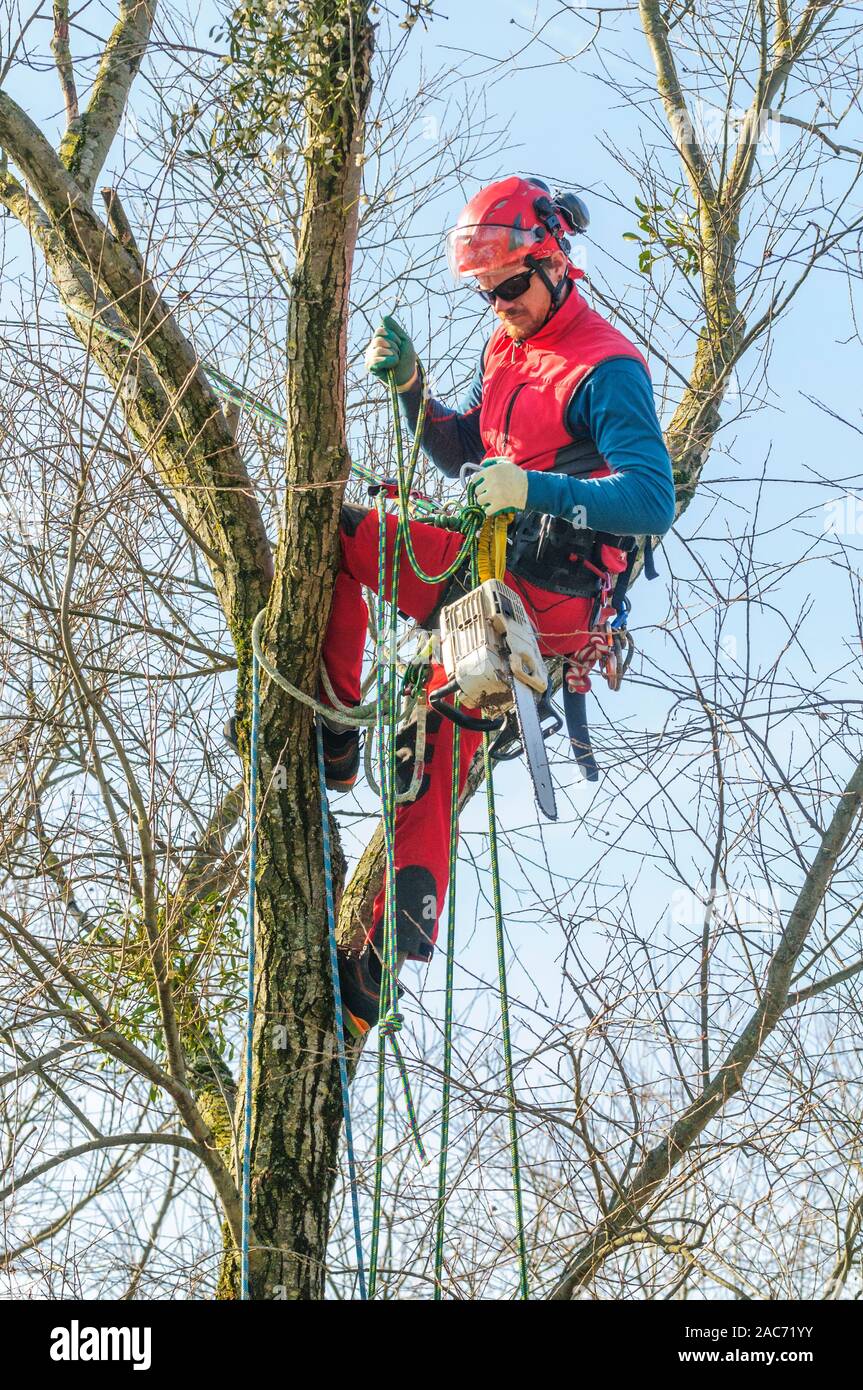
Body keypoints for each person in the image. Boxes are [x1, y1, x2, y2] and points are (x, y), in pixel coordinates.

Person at [322, 175, 676, 1037]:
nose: (500, 304)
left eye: (511, 286)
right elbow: (457, 453)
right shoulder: (503, 350)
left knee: (432, 734)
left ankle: (379, 949)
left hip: (549, 597)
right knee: (341, 537)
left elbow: (652, 498)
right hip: (486, 568)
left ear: (553, 263)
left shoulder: (605, 366)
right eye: (486, 292)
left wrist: (538, 488)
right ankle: (335, 732)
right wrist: (411, 390)